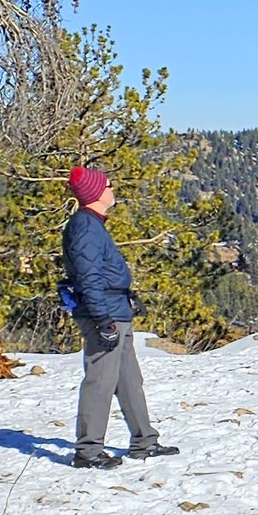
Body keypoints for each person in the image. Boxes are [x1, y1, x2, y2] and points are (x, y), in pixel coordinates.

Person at [61, 165, 178, 470]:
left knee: (128, 380)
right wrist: (102, 319)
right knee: (100, 380)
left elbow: (100, 273)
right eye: (108, 186)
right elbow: (88, 277)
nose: (113, 190)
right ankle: (88, 451)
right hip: (105, 313)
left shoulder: (92, 225)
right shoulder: (86, 227)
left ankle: (144, 441)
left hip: (115, 309)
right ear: (96, 193)